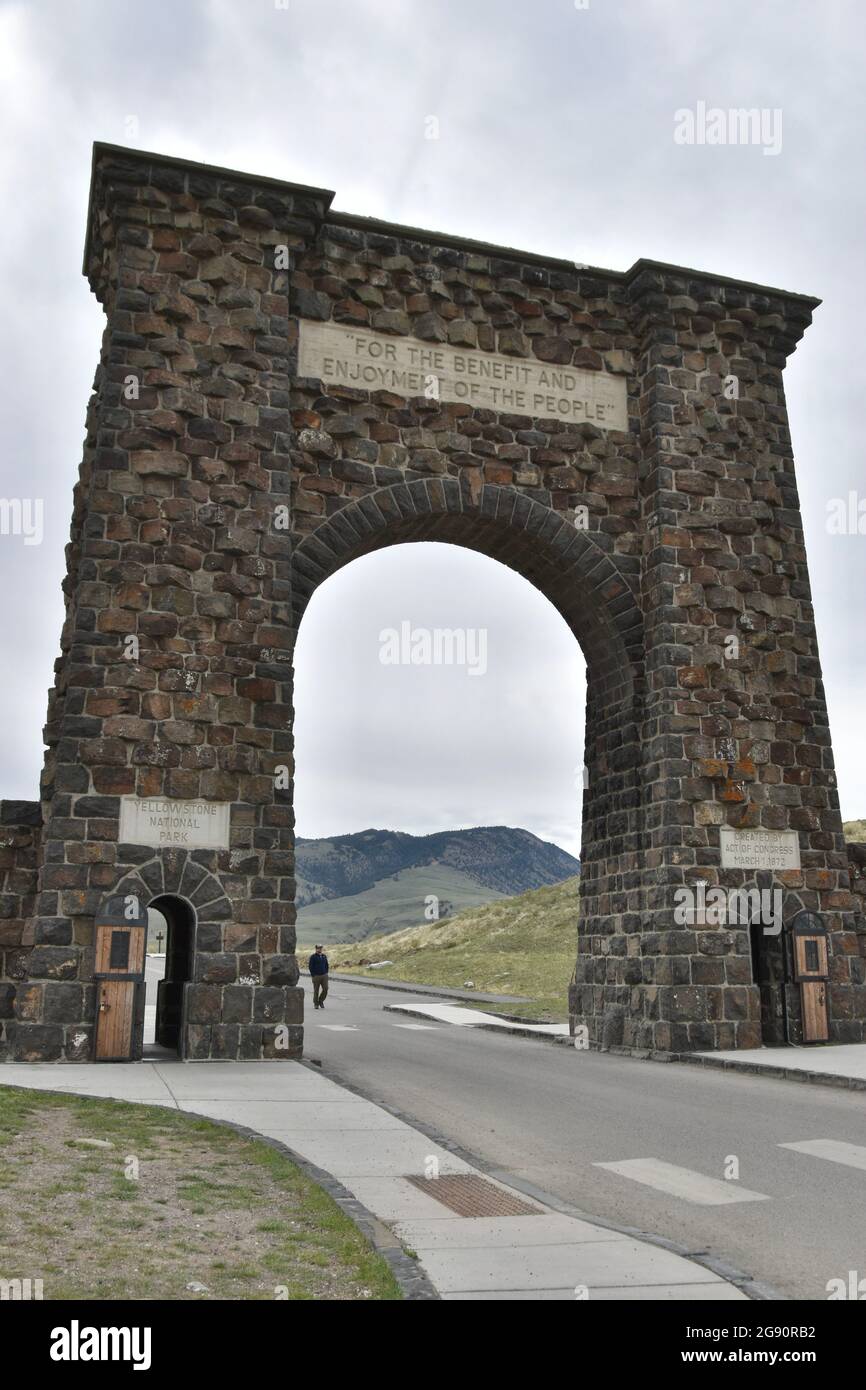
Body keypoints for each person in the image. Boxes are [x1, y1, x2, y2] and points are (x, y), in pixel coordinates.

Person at [308, 944, 329, 1009]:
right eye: (318, 948)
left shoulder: (324, 956)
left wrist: (326, 972)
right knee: (316, 990)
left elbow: (326, 965)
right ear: (316, 949)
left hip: (324, 975)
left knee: (325, 989)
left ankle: (321, 1001)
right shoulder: (313, 957)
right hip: (316, 976)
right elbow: (310, 967)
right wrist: (313, 975)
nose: (319, 949)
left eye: (320, 948)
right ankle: (316, 1004)